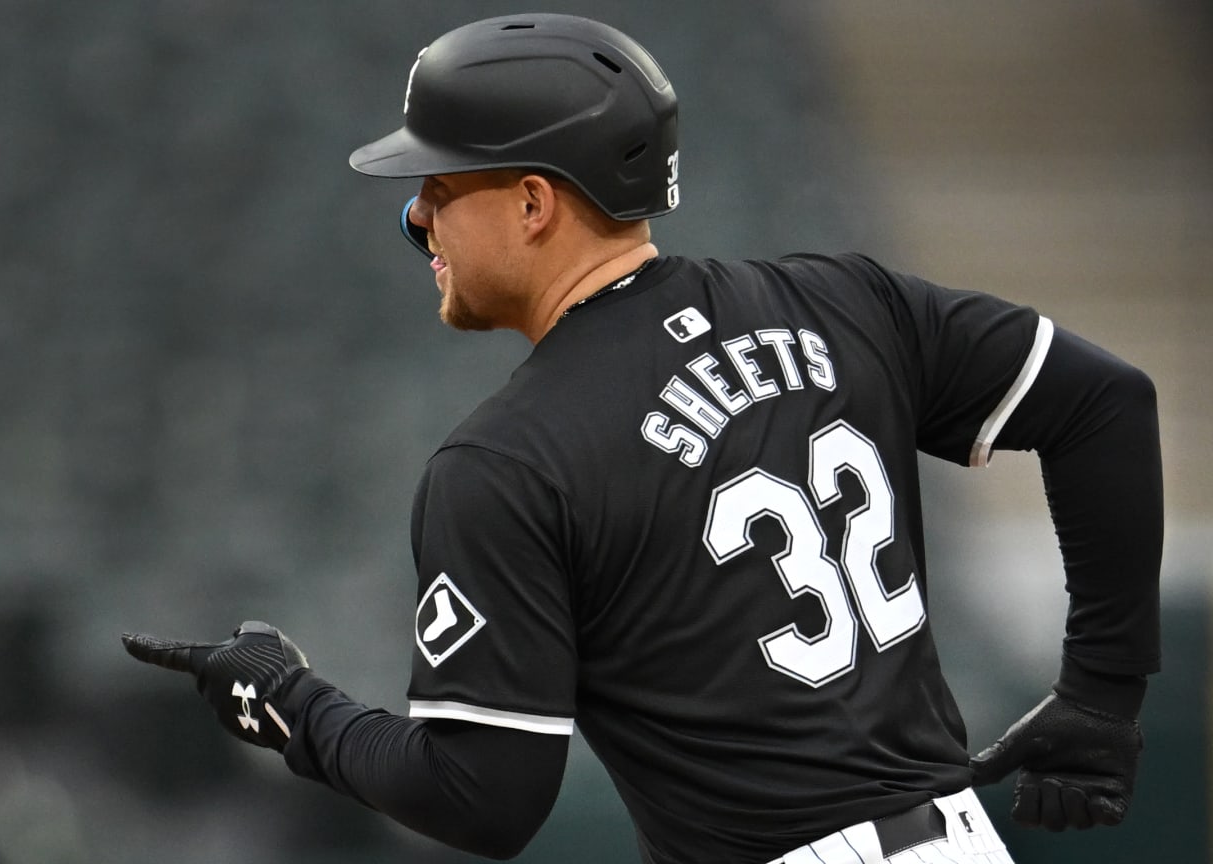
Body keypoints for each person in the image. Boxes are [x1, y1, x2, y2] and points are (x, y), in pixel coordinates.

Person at [123, 13, 1161, 864]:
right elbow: (1107, 404)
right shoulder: (843, 302)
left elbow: (483, 797)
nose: (416, 219)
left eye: (439, 186)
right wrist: (1102, 696)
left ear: (534, 202)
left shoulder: (506, 463)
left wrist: (291, 707)